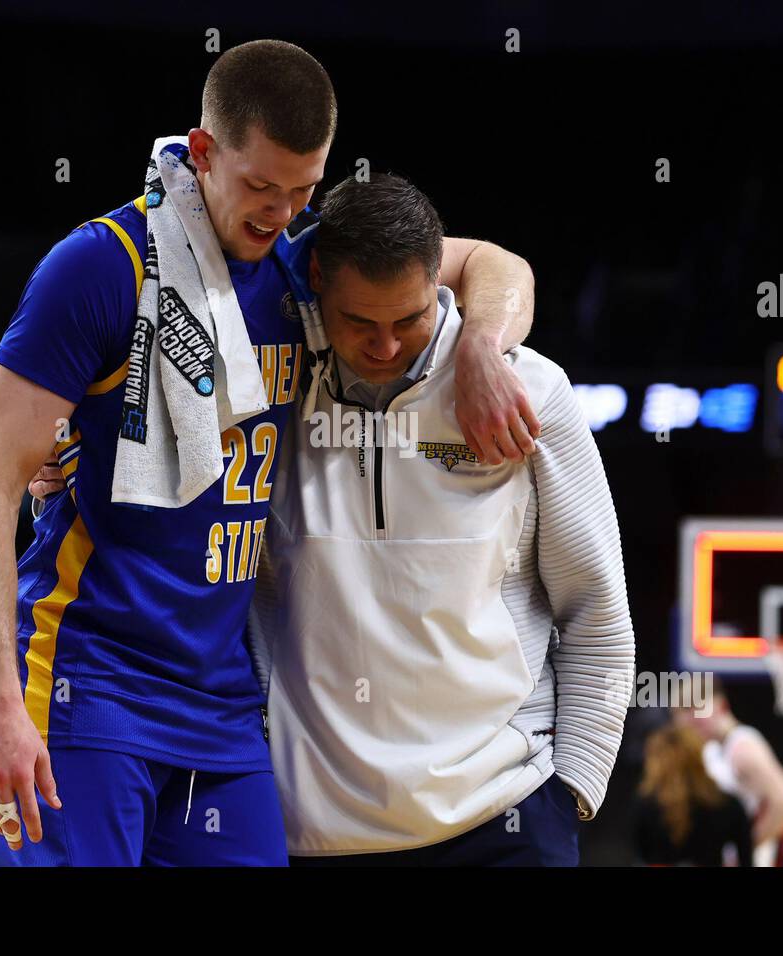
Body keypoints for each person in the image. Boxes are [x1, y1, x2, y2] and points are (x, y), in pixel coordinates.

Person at [0, 39, 539, 867]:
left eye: (302, 191)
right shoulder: (97, 269)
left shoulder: (304, 267)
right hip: (87, 679)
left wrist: (478, 344)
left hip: (220, 700)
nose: (278, 212)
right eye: (260, 186)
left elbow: (491, 262)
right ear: (202, 152)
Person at [238, 174, 634, 865]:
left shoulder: (531, 390)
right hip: (314, 832)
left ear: (439, 286)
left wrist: (572, 789)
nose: (387, 346)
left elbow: (596, 611)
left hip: (506, 820)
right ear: (318, 282)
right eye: (360, 322)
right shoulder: (266, 388)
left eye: (409, 320)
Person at [673, 681, 783, 866]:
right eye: (684, 714)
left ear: (722, 705)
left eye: (695, 710)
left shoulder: (742, 748)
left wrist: (745, 848)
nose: (689, 721)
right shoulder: (713, 750)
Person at [634, 724, 752, 866]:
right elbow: (746, 858)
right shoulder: (727, 804)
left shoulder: (645, 806)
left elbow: (641, 856)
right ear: (698, 754)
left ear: (654, 762)